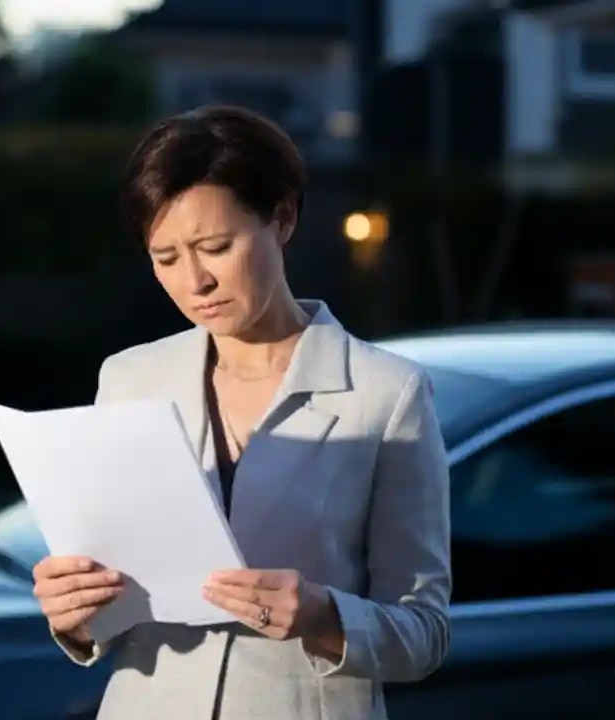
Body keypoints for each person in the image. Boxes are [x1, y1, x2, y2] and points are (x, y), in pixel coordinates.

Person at [31, 105, 451, 719]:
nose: (194, 281)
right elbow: (110, 605)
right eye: (166, 257)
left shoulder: (387, 393)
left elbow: (425, 633)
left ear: (282, 218)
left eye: (215, 247)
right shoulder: (129, 378)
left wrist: (320, 615)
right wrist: (73, 614)